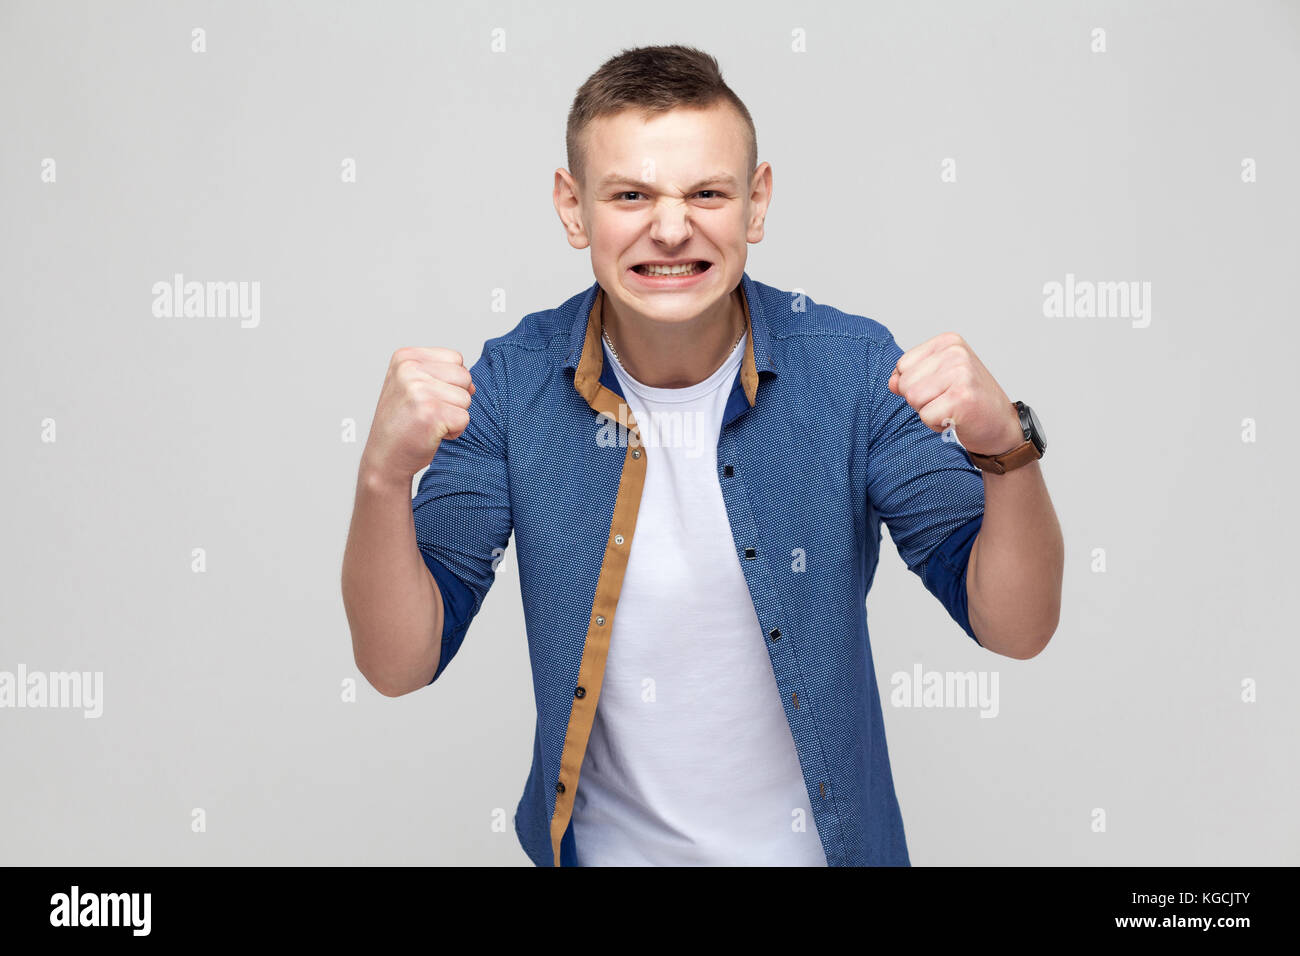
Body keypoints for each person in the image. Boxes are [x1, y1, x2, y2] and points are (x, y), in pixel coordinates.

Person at [341, 44, 1063, 867]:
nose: (672, 227)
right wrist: (382, 476)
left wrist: (1007, 448)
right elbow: (400, 662)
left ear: (755, 204)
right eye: (632, 195)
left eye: (707, 193)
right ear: (573, 209)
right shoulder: (510, 384)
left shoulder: (856, 371)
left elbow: (1017, 627)